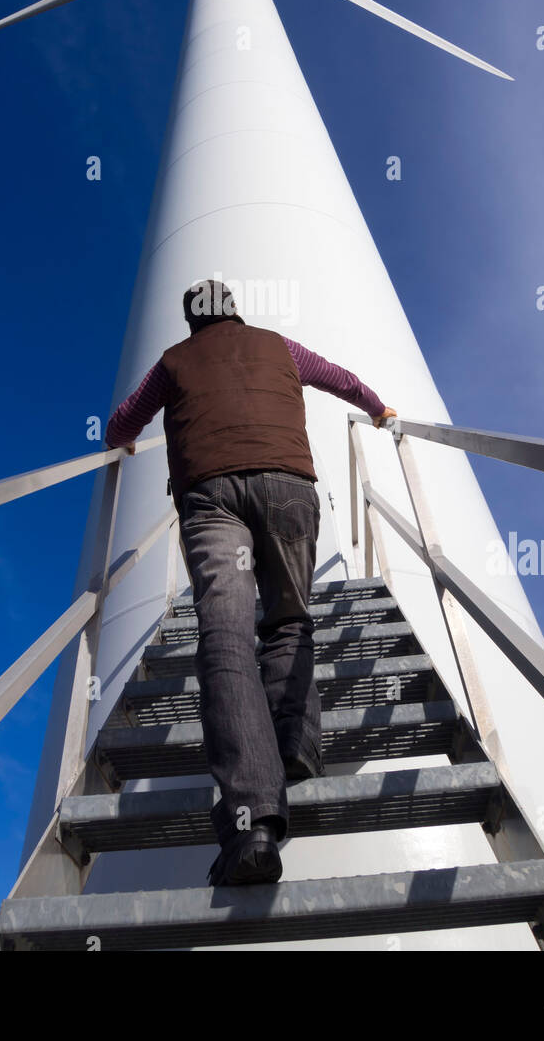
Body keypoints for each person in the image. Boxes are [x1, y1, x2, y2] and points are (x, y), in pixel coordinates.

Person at [104, 279, 396, 887]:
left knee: (226, 637)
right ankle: (293, 742)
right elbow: (338, 376)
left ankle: (253, 824)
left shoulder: (174, 361)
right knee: (288, 619)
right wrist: (376, 408)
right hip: (288, 484)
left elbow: (124, 419)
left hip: (212, 498)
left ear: (191, 321)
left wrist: (121, 442)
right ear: (236, 310)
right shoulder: (279, 345)